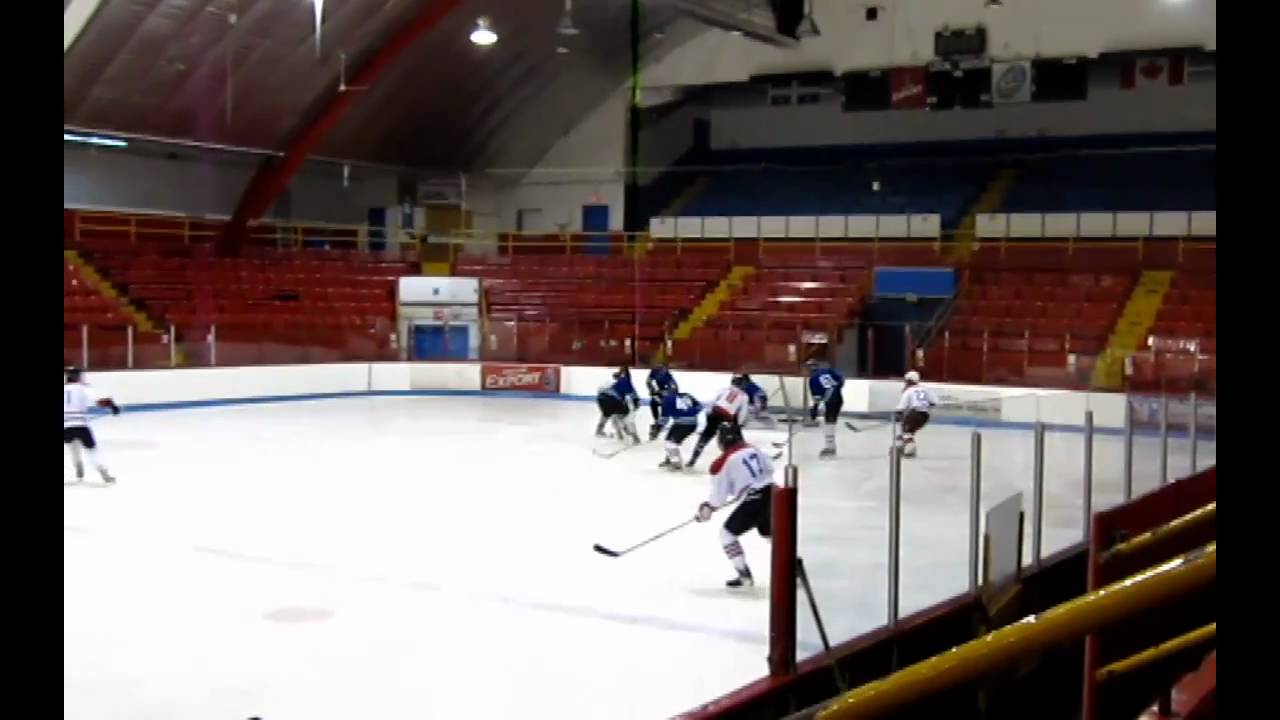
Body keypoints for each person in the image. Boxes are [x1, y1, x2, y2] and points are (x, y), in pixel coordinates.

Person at [694, 423, 776, 589]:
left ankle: (744, 576)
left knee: (727, 535)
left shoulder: (721, 463)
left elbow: (718, 498)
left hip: (754, 500)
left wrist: (707, 509)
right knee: (771, 535)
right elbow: (769, 468)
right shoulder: (753, 448)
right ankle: (792, 567)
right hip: (773, 494)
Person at [64, 366, 119, 484]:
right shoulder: (83, 388)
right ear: (78, 376)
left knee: (73, 449)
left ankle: (78, 467)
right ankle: (104, 473)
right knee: (92, 451)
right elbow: (99, 402)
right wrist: (112, 405)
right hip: (81, 425)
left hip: (65, 426)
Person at [686, 375, 751, 468]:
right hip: (726, 418)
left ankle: (693, 459)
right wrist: (739, 425)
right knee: (731, 441)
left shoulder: (724, 389)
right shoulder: (744, 396)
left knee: (705, 437)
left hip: (715, 413)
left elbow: (714, 401)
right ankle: (741, 458)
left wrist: (709, 413)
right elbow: (743, 413)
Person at [655, 387, 703, 470]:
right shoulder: (686, 395)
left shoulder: (666, 400)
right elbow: (699, 406)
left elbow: (664, 418)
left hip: (683, 423)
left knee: (670, 443)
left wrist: (657, 428)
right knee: (669, 440)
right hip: (690, 423)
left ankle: (676, 463)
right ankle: (669, 459)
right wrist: (691, 412)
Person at [895, 370, 938, 458]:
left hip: (915, 413)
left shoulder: (909, 391)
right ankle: (905, 444)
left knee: (906, 431)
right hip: (925, 415)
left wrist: (898, 413)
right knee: (909, 431)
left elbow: (902, 406)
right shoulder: (926, 389)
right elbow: (934, 402)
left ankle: (909, 449)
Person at [807, 360, 845, 459]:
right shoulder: (827, 370)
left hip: (830, 401)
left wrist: (814, 411)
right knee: (831, 422)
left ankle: (830, 448)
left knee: (829, 423)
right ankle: (831, 446)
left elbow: (817, 398)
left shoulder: (812, 379)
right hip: (839, 399)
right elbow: (841, 380)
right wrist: (835, 388)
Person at [595, 368, 642, 444]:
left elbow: (600, 391)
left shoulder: (612, 382)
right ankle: (634, 437)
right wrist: (636, 403)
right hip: (614, 400)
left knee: (607, 414)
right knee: (624, 415)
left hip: (601, 399)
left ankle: (599, 431)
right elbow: (632, 397)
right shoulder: (627, 382)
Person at [646, 363, 679, 440]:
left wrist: (662, 393)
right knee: (653, 403)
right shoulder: (654, 371)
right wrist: (653, 391)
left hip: (669, 396)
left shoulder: (669, 377)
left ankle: (659, 426)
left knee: (665, 412)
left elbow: (674, 388)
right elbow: (648, 382)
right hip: (661, 394)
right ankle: (657, 424)